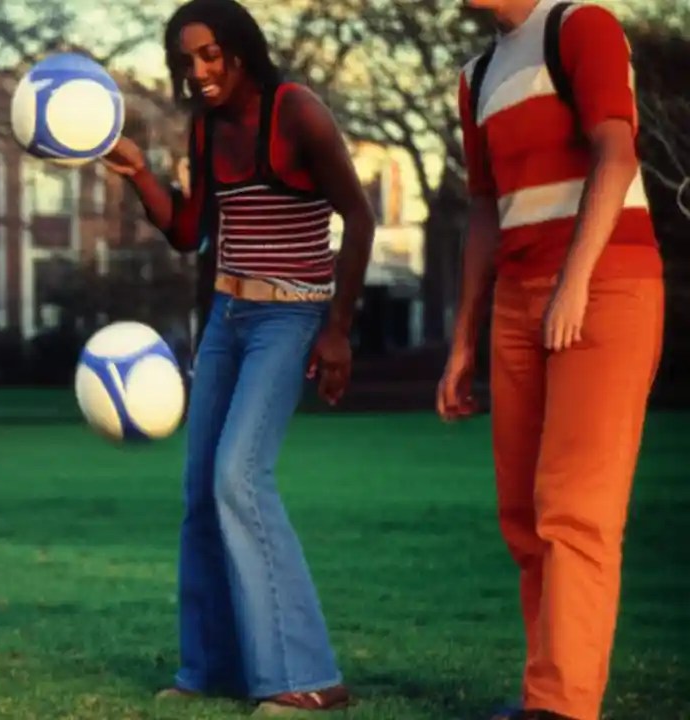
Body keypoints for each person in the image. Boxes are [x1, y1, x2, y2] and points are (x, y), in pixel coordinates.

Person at [102, 0, 375, 713]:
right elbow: (192, 231)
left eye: (210, 55)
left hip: (292, 316)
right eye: (186, 61)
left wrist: (338, 329)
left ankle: (308, 677)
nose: (198, 72)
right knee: (201, 491)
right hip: (226, 316)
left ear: (241, 51)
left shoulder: (297, 113)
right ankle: (211, 669)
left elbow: (361, 216)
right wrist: (137, 172)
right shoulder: (204, 126)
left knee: (239, 475)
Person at [439, 2, 665, 719]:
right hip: (516, 296)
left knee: (577, 511)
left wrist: (573, 282)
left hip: (606, 285)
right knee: (524, 515)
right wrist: (463, 339)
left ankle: (562, 705)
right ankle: (547, 693)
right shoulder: (476, 77)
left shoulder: (581, 25)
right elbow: (483, 210)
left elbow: (616, 152)